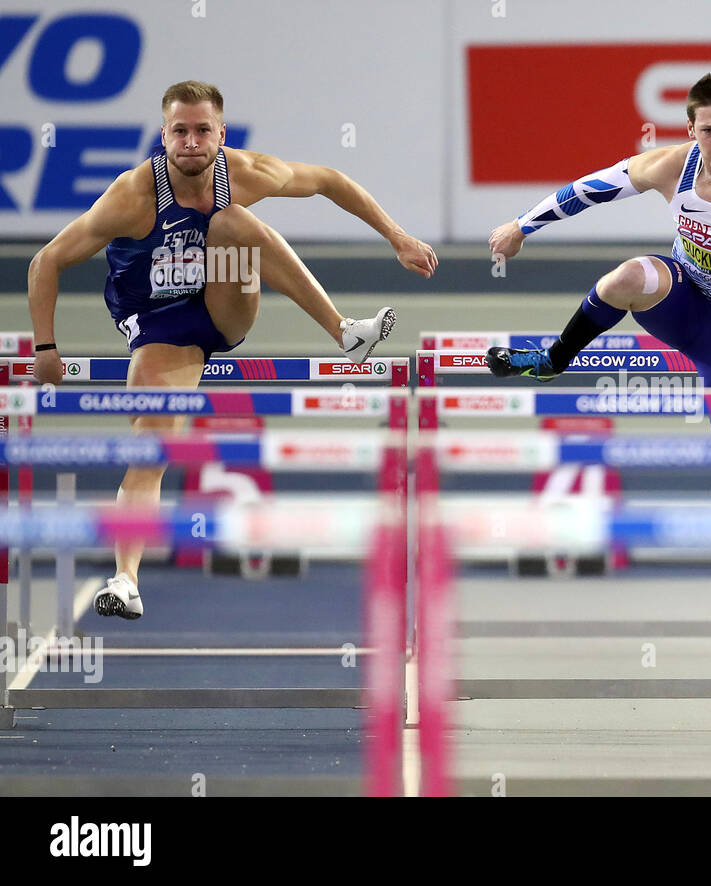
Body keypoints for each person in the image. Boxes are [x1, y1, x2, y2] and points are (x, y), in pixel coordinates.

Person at [26, 80, 438, 620]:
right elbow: (45, 262)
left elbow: (330, 181)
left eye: (202, 131)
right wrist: (45, 347)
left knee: (233, 221)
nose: (191, 142)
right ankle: (126, 578)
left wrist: (397, 237)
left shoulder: (243, 173)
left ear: (221, 134)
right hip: (158, 324)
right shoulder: (132, 194)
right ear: (164, 135)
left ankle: (344, 332)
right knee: (150, 451)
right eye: (180, 131)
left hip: (222, 303)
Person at [484, 72, 711, 665]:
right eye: (709, 130)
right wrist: (523, 225)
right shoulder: (672, 166)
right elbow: (593, 188)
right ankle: (553, 360)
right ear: (691, 129)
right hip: (682, 295)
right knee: (630, 276)